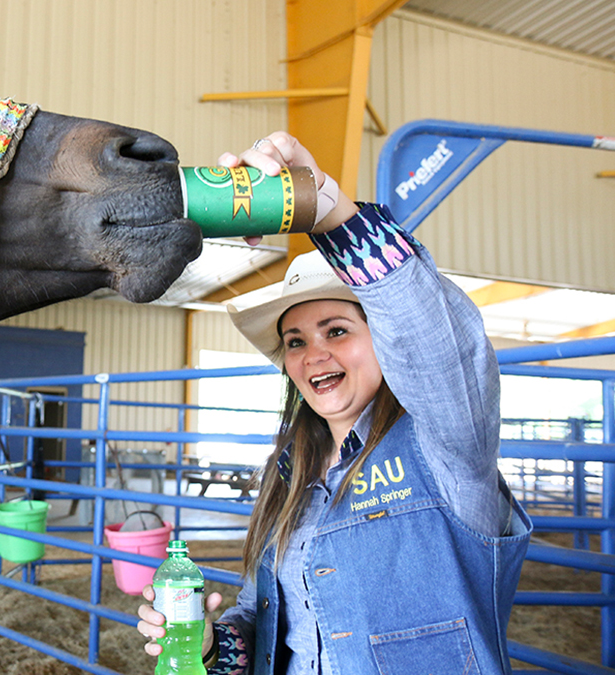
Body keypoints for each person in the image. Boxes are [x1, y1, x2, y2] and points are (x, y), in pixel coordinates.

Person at [138, 132, 531, 674]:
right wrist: (210, 645)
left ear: (384, 340)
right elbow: (267, 623)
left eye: (337, 330)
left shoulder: (447, 444)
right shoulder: (289, 472)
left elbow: (437, 346)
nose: (313, 355)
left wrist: (327, 211)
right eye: (295, 341)